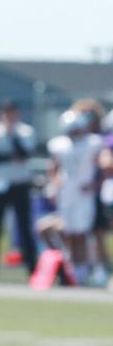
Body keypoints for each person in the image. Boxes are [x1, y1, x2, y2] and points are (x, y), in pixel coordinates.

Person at [0, 99, 39, 281]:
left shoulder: (25, 131)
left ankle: (33, 272)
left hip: (19, 184)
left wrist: (13, 136)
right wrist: (10, 156)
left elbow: (25, 153)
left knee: (24, 228)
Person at [46, 109, 104, 285]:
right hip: (66, 193)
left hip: (83, 193)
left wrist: (95, 185)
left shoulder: (93, 143)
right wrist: (54, 185)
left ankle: (83, 270)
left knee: (81, 233)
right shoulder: (60, 144)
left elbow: (101, 167)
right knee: (67, 232)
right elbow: (54, 167)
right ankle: (71, 270)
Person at [72, 99, 110, 286]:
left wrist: (96, 184)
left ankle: (103, 271)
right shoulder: (72, 139)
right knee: (76, 233)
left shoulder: (104, 138)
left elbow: (106, 164)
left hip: (97, 194)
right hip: (75, 194)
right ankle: (79, 272)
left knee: (97, 233)